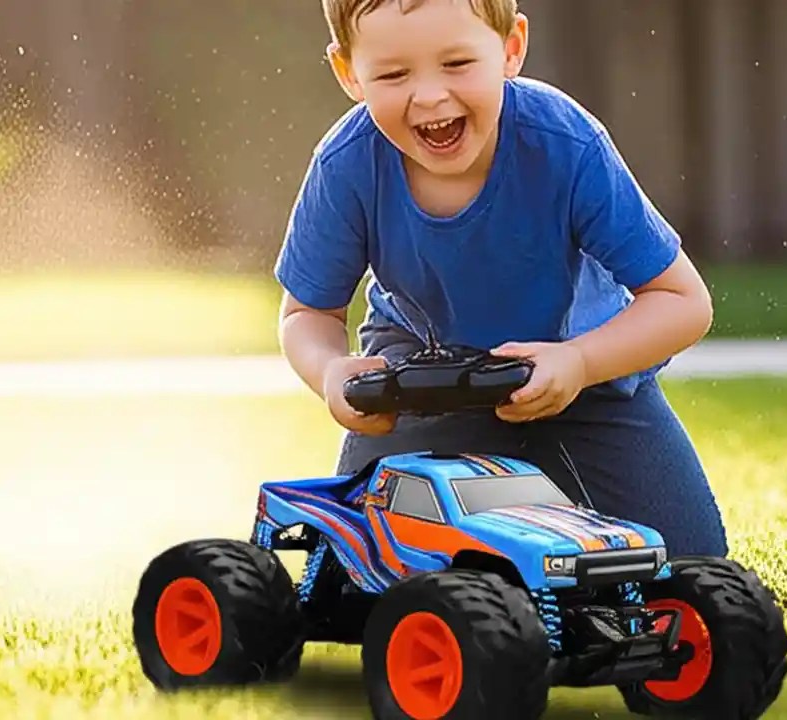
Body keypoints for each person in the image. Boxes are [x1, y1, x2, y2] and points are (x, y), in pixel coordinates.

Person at [273, 0, 728, 557]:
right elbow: (307, 313)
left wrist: (581, 362)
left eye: (458, 63)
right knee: (367, 563)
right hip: (421, 383)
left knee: (684, 559)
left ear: (511, 48)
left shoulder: (564, 144)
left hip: (585, 377)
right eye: (393, 74)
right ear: (349, 73)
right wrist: (330, 372)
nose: (430, 96)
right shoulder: (346, 165)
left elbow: (683, 300)